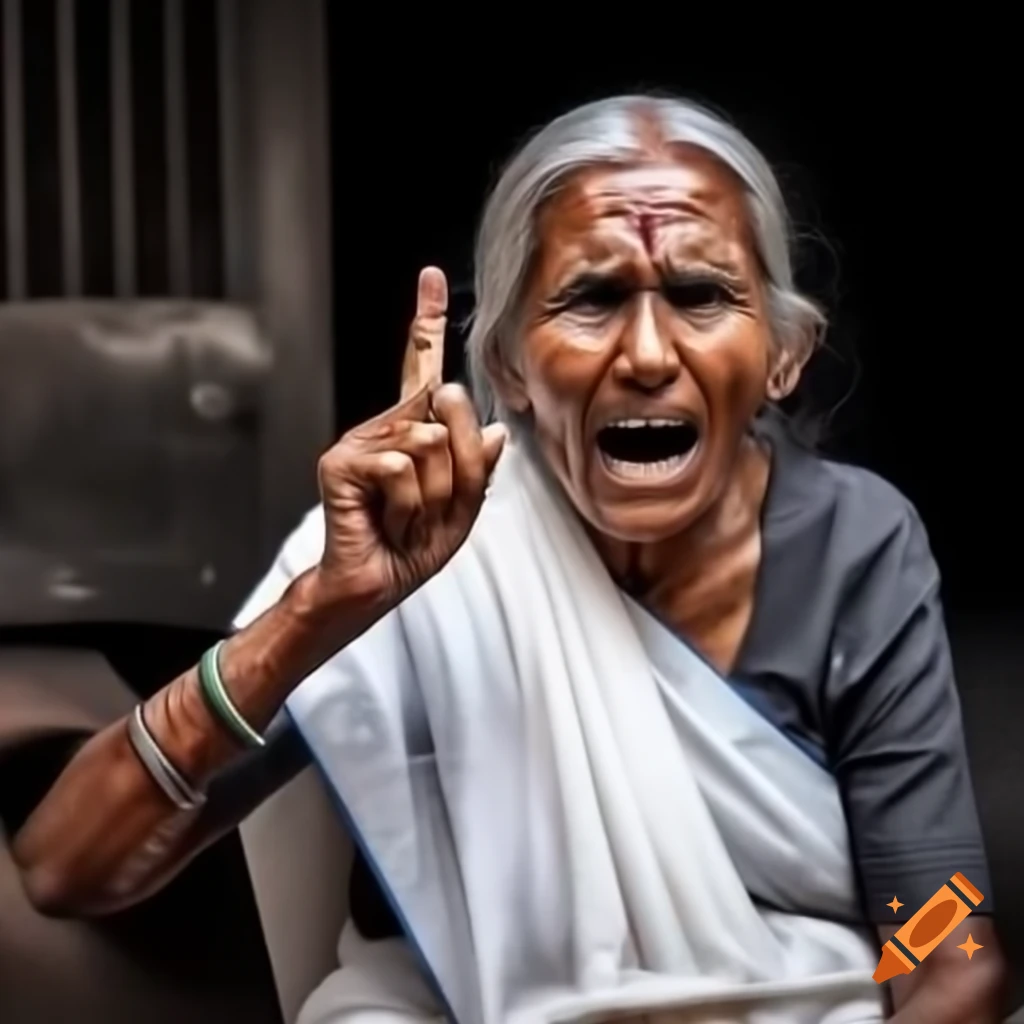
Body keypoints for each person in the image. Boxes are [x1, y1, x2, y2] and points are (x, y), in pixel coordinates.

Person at [10, 95, 1005, 1023]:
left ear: (784, 356)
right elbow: (64, 867)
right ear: (507, 368)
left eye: (701, 294)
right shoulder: (425, 554)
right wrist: (319, 612)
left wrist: (902, 970)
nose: (649, 353)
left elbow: (944, 930)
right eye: (591, 298)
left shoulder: (854, 543)